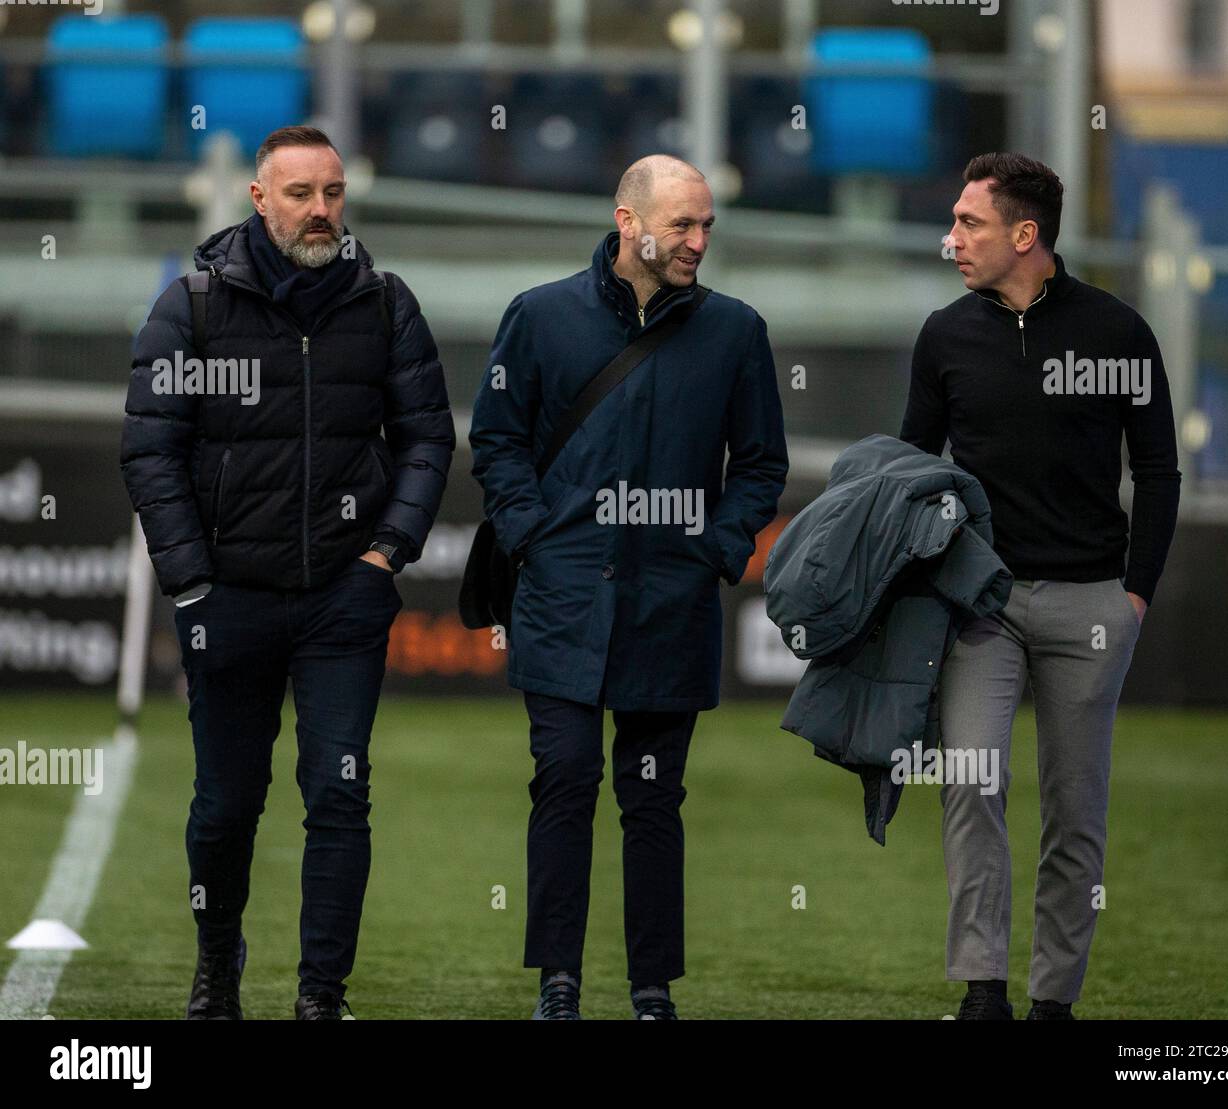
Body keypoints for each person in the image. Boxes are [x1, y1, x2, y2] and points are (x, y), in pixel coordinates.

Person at [120, 125, 454, 1019]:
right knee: (226, 807)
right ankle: (217, 971)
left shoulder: (384, 304)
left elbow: (427, 438)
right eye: (301, 194)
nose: (321, 211)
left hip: (344, 601)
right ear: (259, 199)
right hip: (226, 600)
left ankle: (320, 996)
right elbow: (152, 452)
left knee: (340, 794)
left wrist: (386, 555)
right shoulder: (190, 306)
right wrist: (192, 585)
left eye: (334, 193)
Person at [469, 154, 788, 1019]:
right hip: (564, 599)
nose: (698, 241)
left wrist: (717, 548)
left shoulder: (736, 331)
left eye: (707, 226)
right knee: (564, 781)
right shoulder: (538, 317)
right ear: (628, 221)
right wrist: (533, 534)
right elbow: (494, 440)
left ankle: (652, 991)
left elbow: (761, 464)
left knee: (652, 798)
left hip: (670, 604)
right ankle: (558, 984)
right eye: (683, 224)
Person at [900, 152, 1180, 1020]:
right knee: (973, 783)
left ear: (1026, 236)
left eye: (969, 224)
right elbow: (912, 470)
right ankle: (983, 990)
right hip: (982, 604)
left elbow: (1160, 468)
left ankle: (1053, 1000)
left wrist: (1134, 592)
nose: (951, 239)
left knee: (1075, 807)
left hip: (1093, 603)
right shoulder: (944, 334)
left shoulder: (1120, 330)